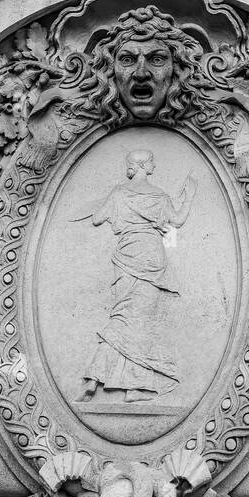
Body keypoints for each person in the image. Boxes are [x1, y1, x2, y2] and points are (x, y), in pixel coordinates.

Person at [79, 150, 197, 403]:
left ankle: (97, 378)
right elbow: (177, 220)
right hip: (151, 257)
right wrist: (189, 197)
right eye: (152, 161)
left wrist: (111, 203)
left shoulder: (119, 193)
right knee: (140, 322)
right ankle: (130, 387)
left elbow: (98, 219)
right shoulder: (160, 196)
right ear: (144, 165)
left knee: (123, 316)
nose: (155, 164)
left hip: (125, 256)